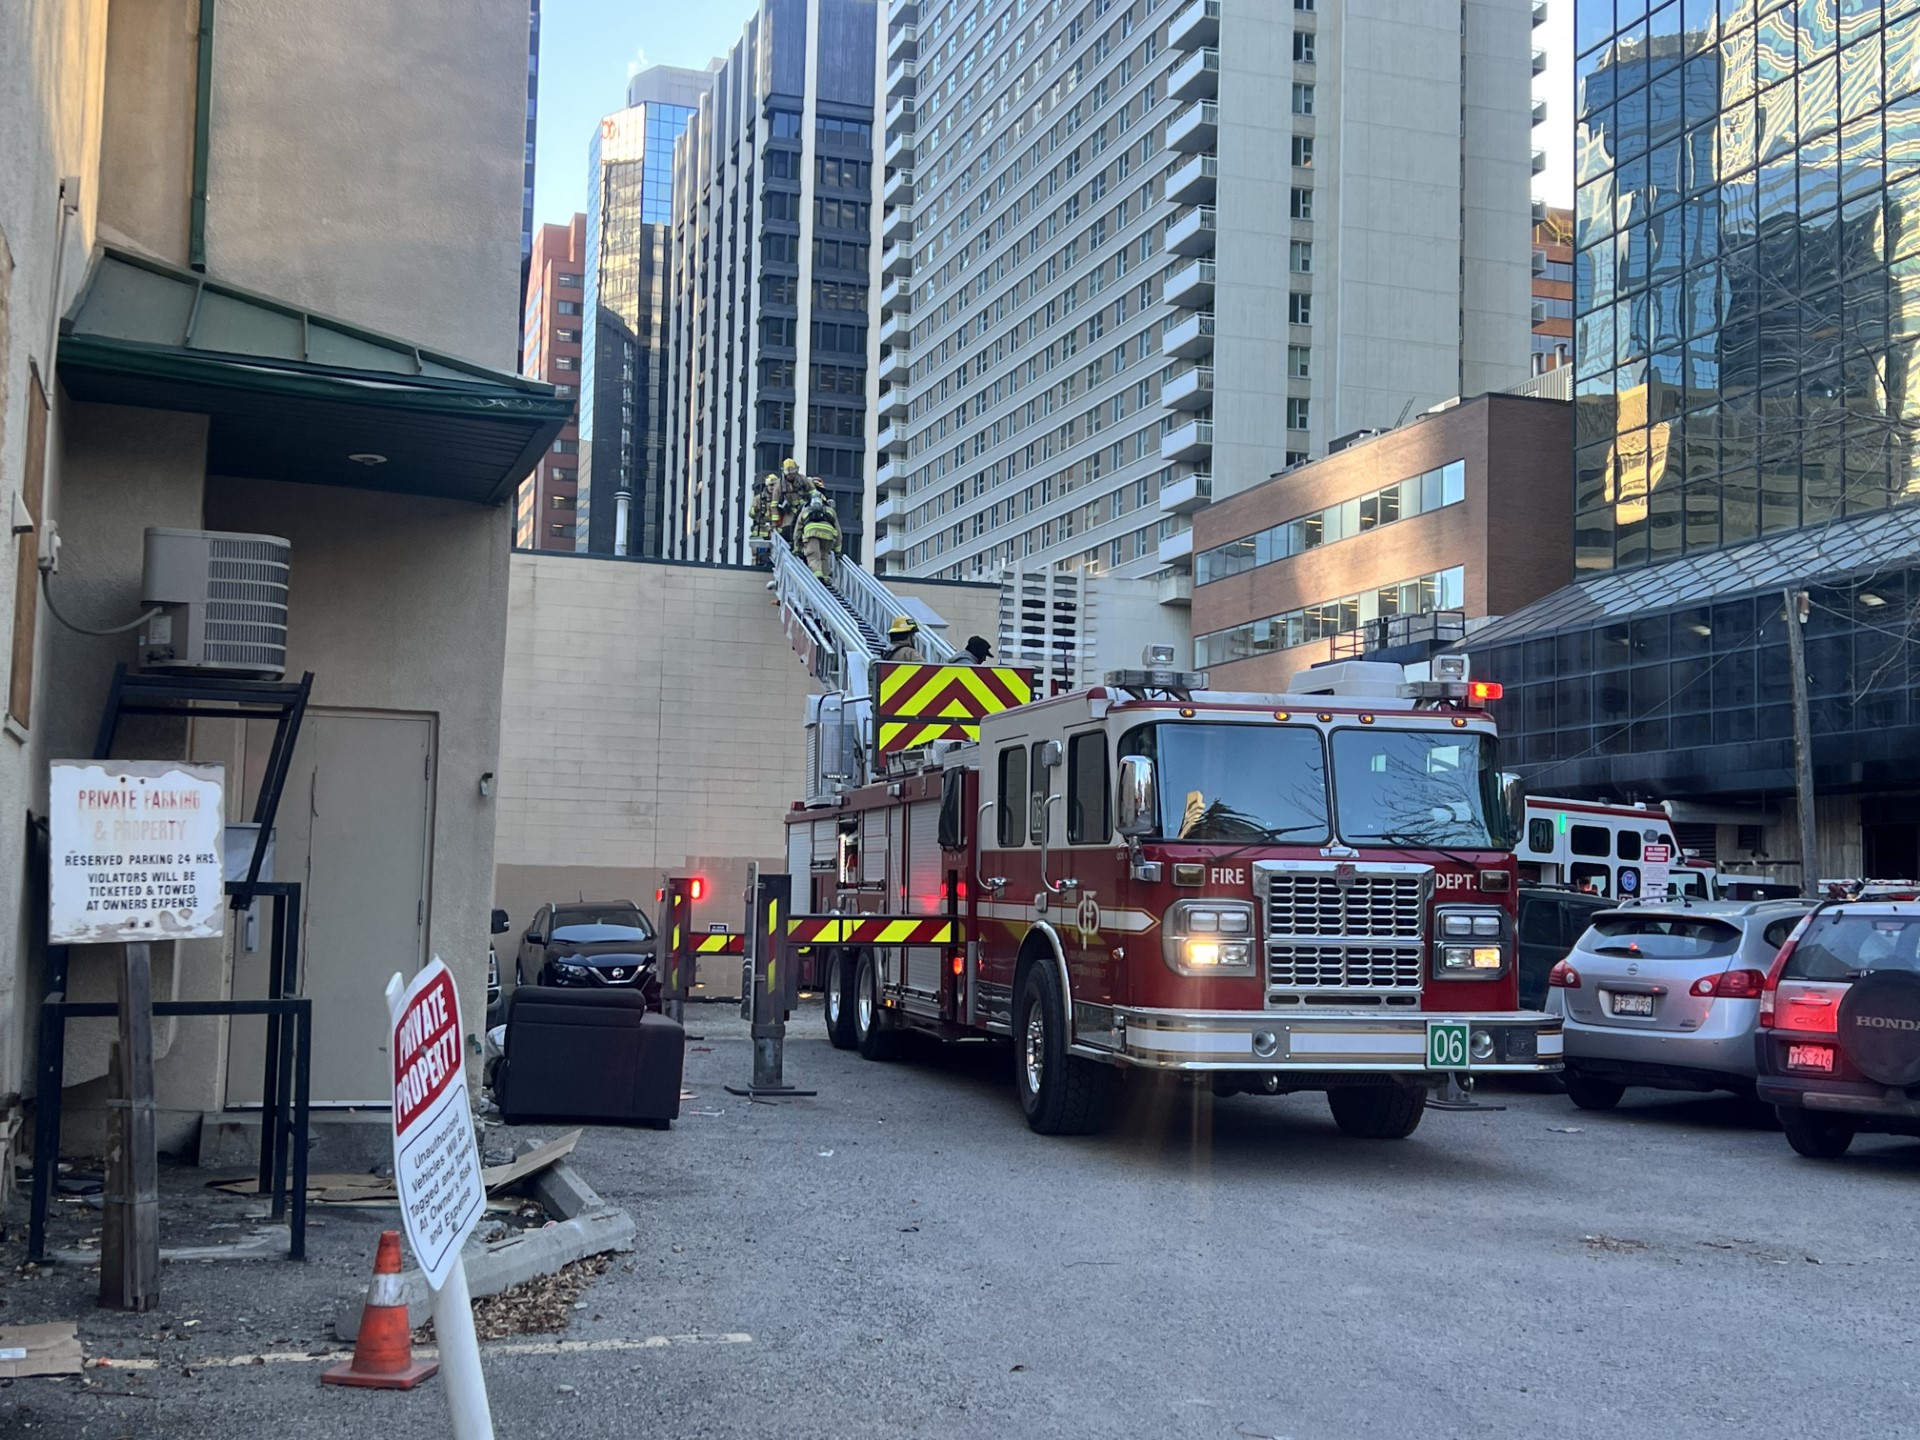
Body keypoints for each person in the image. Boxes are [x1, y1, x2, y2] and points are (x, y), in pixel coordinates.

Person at [798, 492, 841, 581]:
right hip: (828, 535)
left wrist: (796, 548)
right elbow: (838, 532)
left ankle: (818, 576)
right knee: (824, 556)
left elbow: (797, 531)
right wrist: (837, 551)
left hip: (811, 533)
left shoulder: (805, 511)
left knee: (814, 556)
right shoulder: (830, 511)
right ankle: (826, 577)